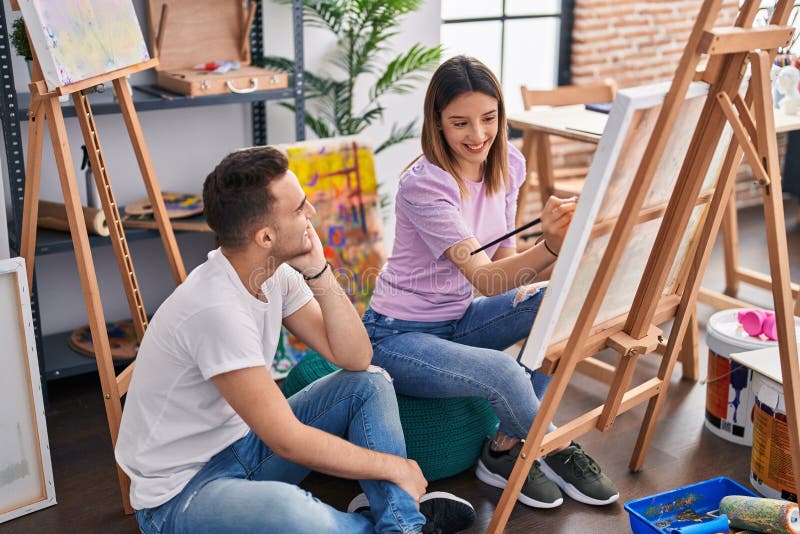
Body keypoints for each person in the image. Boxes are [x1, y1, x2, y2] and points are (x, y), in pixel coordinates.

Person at [115, 146, 476, 534]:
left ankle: (402, 525)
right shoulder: (216, 311)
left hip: (243, 448)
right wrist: (394, 466)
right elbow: (288, 441)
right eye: (300, 209)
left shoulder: (275, 275)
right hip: (181, 496)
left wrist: (319, 270)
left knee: (369, 383)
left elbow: (355, 357)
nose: (312, 215)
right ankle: (400, 518)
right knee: (293, 512)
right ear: (266, 236)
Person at [362, 56, 619, 509]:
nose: (478, 135)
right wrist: (552, 246)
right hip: (397, 335)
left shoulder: (509, 164)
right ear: (437, 124)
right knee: (502, 371)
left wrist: (565, 254)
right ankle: (553, 446)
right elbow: (483, 278)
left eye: (489, 118)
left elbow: (504, 263)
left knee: (558, 303)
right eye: (460, 122)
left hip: (459, 321)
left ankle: (503, 450)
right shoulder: (425, 186)